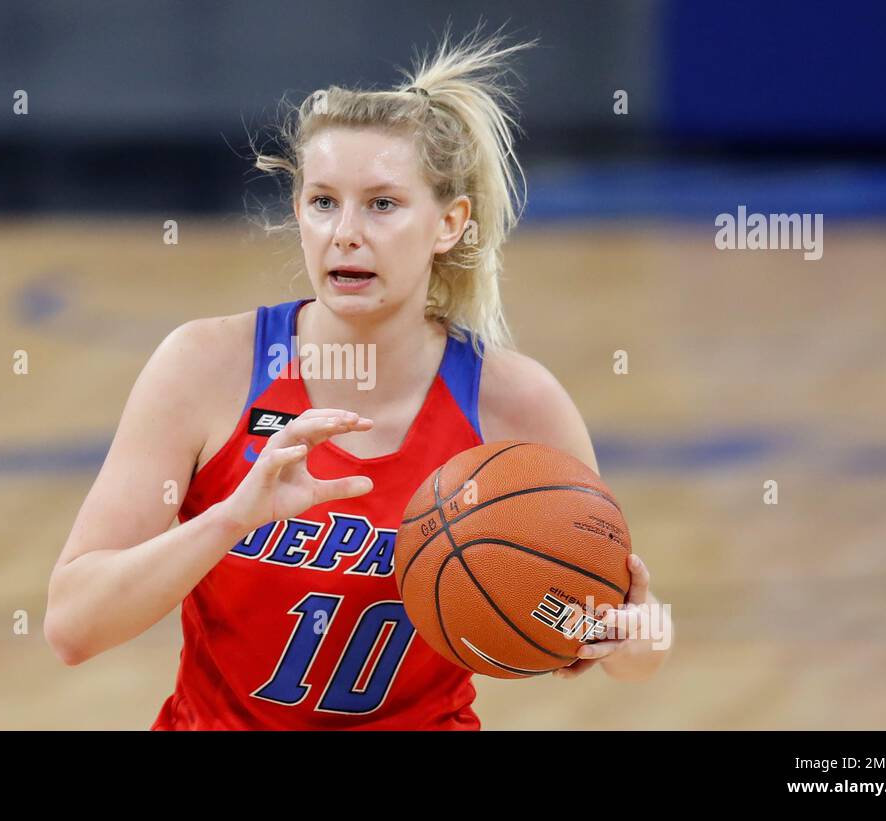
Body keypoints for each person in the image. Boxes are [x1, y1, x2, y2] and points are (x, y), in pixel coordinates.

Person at [44, 26, 670, 730]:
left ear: (448, 223)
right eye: (323, 202)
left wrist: (628, 631)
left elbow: (625, 652)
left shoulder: (515, 404)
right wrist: (229, 519)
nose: (346, 232)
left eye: (381, 204)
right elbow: (72, 625)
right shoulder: (206, 367)